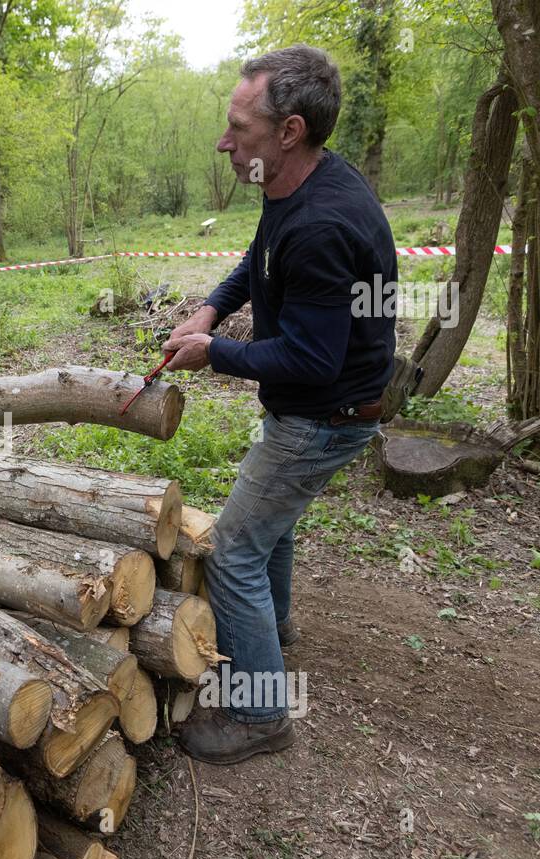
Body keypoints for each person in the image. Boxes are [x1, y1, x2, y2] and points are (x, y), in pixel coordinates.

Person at [160, 45, 396, 764]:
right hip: (322, 407)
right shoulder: (295, 184)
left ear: (289, 131)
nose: (224, 143)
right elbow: (257, 257)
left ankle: (262, 713)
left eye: (241, 128)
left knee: (234, 547)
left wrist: (214, 352)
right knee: (273, 520)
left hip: (325, 416)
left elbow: (311, 358)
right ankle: (274, 627)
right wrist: (211, 308)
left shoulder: (324, 225)